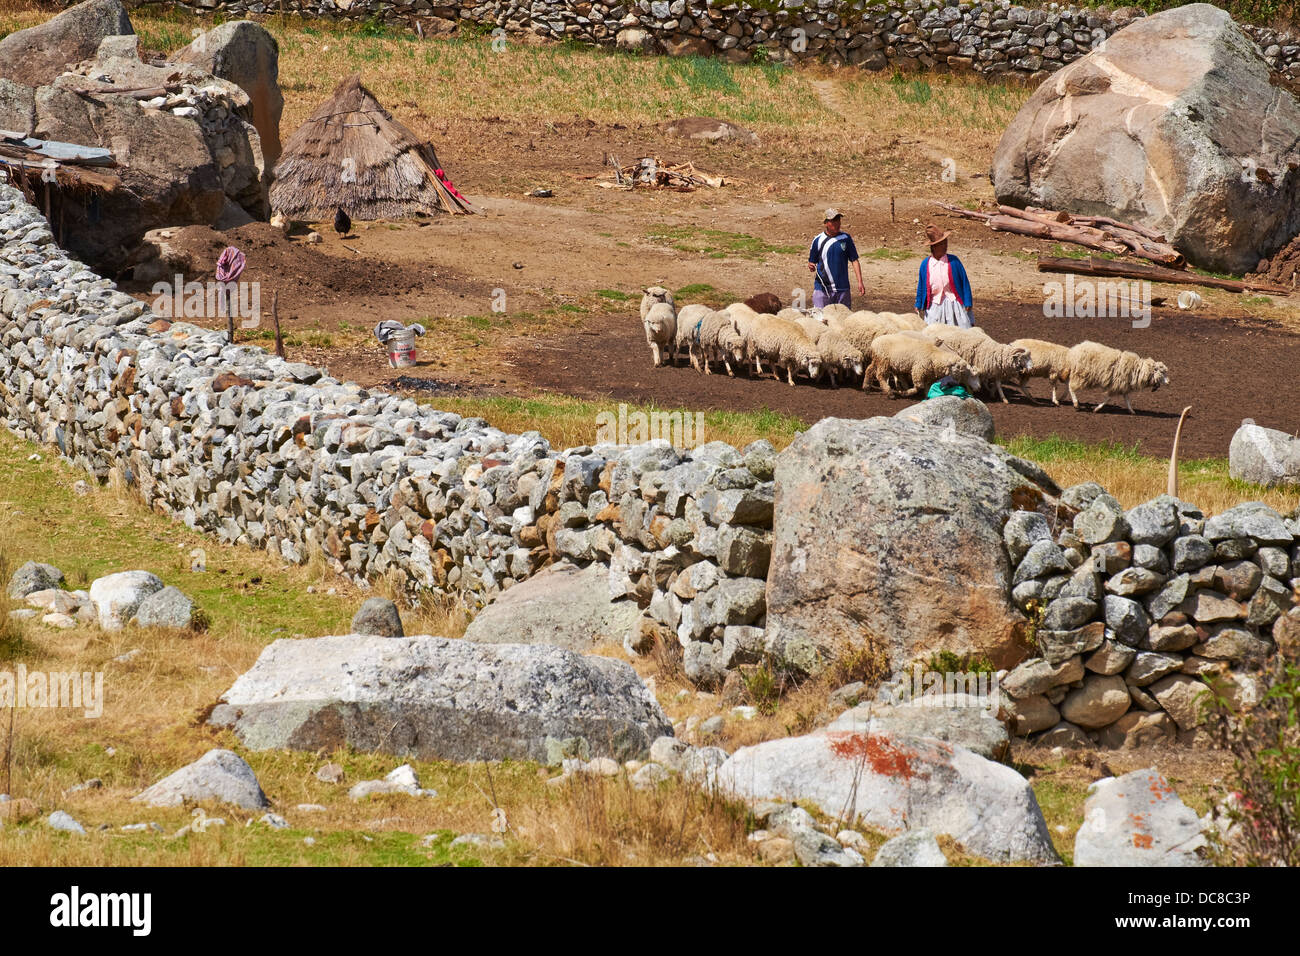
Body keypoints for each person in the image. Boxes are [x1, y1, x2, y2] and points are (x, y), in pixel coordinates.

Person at [915, 224, 974, 327]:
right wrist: (918, 303)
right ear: (934, 247)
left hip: (954, 304)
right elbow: (921, 286)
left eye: (945, 242)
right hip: (934, 305)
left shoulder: (954, 261)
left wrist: (968, 301)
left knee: (959, 330)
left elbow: (964, 282)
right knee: (934, 334)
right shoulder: (926, 264)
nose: (945, 245)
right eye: (942, 244)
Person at [807, 208, 865, 309]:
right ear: (826, 223)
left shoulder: (846, 239)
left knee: (843, 320)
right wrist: (811, 266)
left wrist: (860, 282)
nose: (837, 223)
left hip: (842, 289)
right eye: (833, 221)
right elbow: (812, 262)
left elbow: (854, 260)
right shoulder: (818, 240)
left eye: (838, 220)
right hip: (822, 289)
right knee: (820, 321)